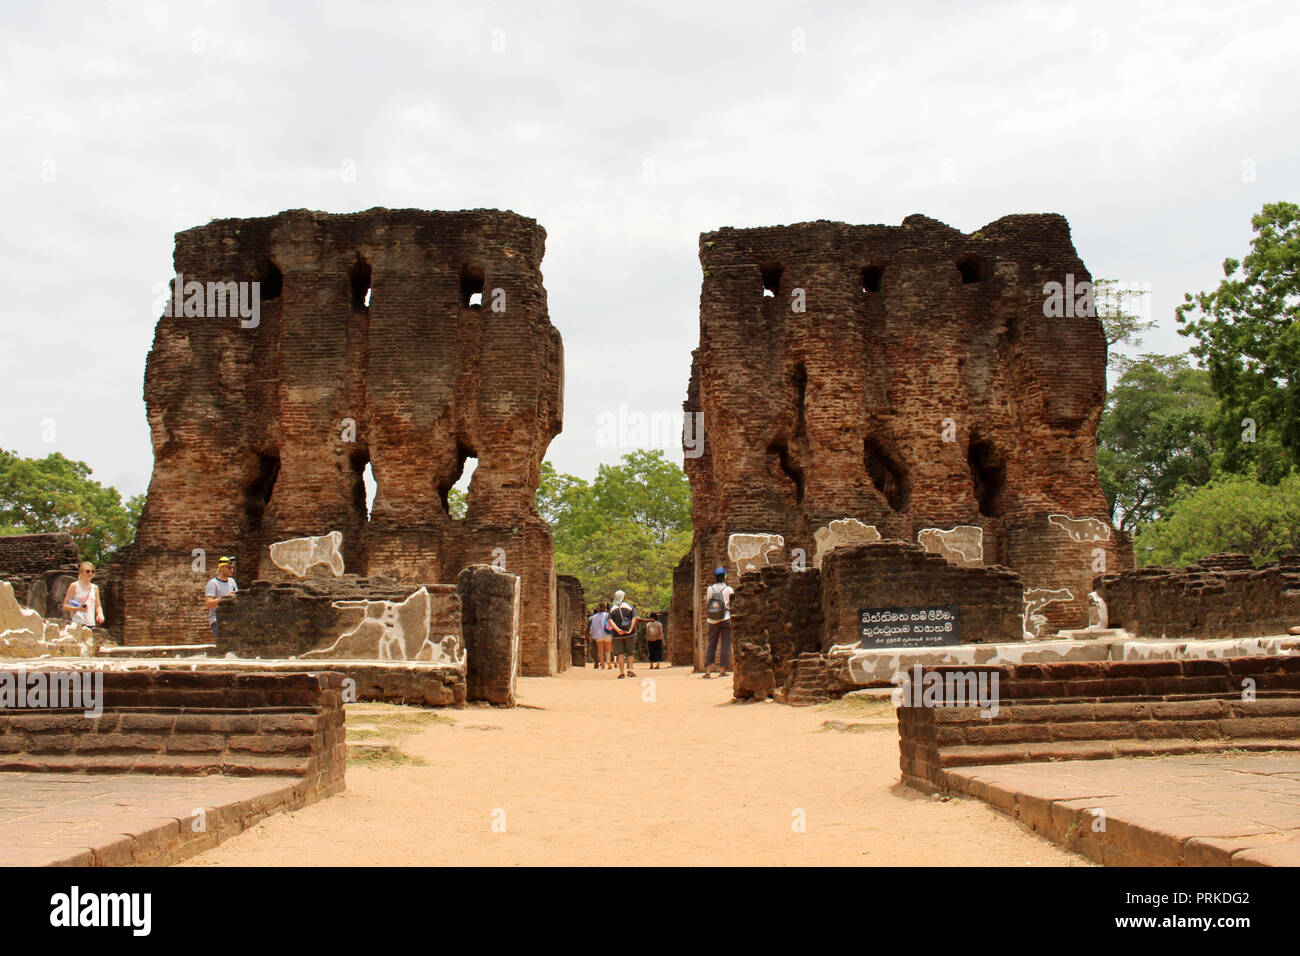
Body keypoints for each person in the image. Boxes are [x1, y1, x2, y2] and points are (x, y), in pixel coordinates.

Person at [702, 566, 734, 678]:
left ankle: (708, 671)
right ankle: (722, 671)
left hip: (712, 620)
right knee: (725, 644)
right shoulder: (728, 589)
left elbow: (708, 602)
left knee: (712, 644)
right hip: (726, 618)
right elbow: (731, 603)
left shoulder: (710, 589)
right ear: (725, 576)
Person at [606, 590, 639, 679]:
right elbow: (635, 618)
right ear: (624, 597)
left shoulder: (612, 608)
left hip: (617, 635)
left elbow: (610, 621)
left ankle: (621, 673)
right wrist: (630, 629)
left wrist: (618, 630)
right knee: (630, 653)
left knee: (620, 654)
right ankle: (630, 670)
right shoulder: (629, 606)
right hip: (630, 634)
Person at [62, 562, 105, 628]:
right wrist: (78, 608)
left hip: (90, 623)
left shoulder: (95, 588)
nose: (90, 573)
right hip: (77, 623)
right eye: (87, 571)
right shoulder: (74, 586)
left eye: (92, 571)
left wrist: (100, 614)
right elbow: (65, 605)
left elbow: (98, 605)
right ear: (81, 573)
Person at [204, 556, 239, 638]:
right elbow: (209, 604)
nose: (231, 570)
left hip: (232, 619)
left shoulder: (232, 582)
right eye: (229, 568)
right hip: (218, 621)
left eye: (233, 568)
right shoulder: (213, 583)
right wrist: (225, 598)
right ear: (221, 568)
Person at [587, 602, 611, 669]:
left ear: (598, 608)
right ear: (605, 608)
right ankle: (608, 660)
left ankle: (602, 664)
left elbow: (592, 627)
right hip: (607, 633)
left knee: (600, 650)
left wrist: (591, 635)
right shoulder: (607, 615)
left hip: (598, 635)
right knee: (607, 649)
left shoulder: (594, 617)